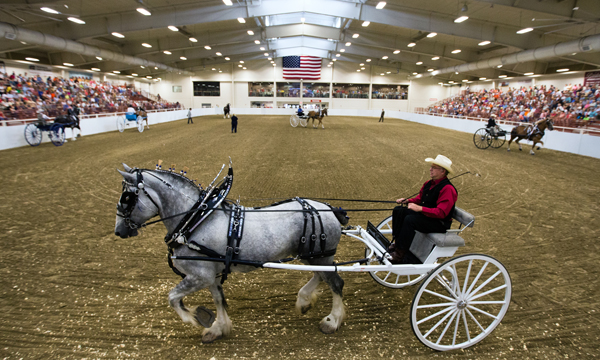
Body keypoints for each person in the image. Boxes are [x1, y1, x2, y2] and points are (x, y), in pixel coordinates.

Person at [388, 155, 458, 264]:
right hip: (427, 217)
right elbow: (420, 199)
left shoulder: (448, 189)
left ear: (442, 171)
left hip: (439, 223)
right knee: (399, 210)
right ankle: (398, 244)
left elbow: (441, 213)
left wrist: (420, 209)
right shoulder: (428, 184)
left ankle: (400, 254)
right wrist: (407, 201)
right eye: (431, 167)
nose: (430, 169)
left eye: (434, 167)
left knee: (410, 220)